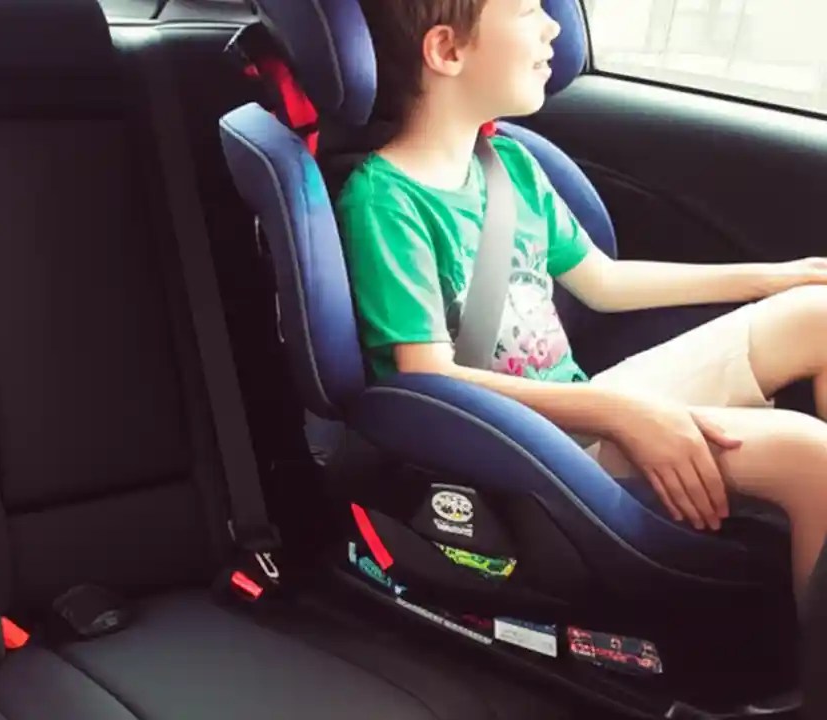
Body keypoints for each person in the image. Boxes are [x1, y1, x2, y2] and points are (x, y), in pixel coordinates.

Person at [336, 0, 827, 609]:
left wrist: (773, 278)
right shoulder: (386, 202)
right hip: (524, 457)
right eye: (526, 12)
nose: (554, 28)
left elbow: (605, 281)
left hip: (585, 417)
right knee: (814, 462)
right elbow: (427, 378)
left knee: (819, 316)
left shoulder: (510, 164)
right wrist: (622, 414)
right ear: (447, 51)